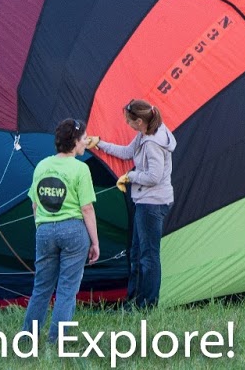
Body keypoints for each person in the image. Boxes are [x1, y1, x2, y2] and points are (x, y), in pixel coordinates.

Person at [86, 99, 176, 309]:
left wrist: (130, 176)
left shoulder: (153, 143)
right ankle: (134, 301)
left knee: (148, 256)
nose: (126, 123)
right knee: (136, 253)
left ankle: (147, 304)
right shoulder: (144, 135)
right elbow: (127, 153)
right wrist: (99, 143)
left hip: (152, 204)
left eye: (128, 120)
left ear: (138, 121)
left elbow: (154, 176)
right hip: (144, 201)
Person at [24, 118, 100, 343]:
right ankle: (56, 341)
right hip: (73, 231)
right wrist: (95, 242)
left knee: (41, 287)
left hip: (45, 229)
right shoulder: (80, 168)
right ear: (75, 142)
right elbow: (86, 208)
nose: (86, 142)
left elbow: (35, 204)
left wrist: (43, 225)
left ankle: (27, 339)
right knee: (67, 289)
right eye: (84, 138)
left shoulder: (42, 165)